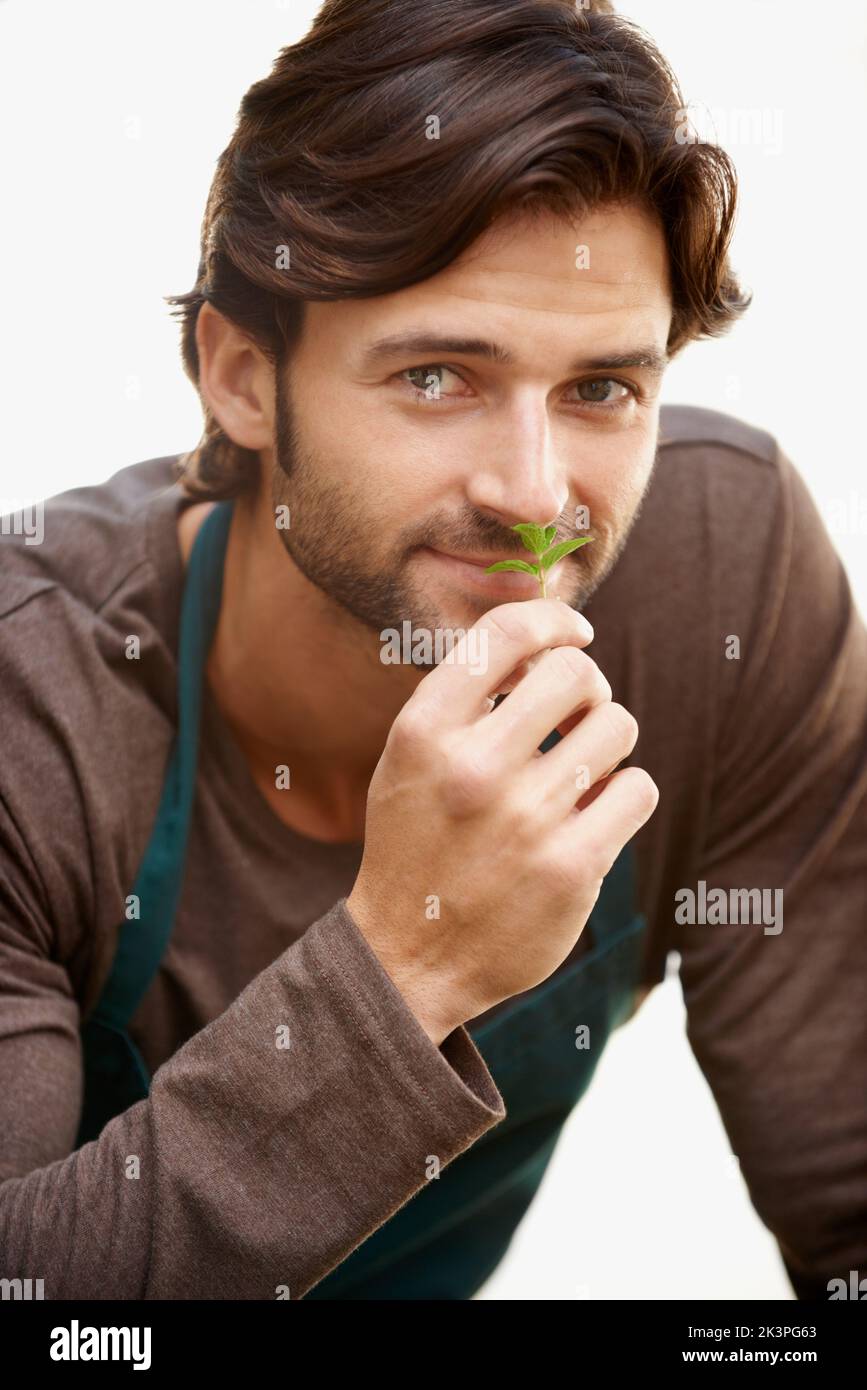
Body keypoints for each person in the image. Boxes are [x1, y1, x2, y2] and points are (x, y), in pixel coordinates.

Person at [1, 0, 864, 1301]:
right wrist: (408, 962)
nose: (534, 495)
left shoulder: (721, 580)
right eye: (437, 377)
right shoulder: (31, 704)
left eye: (601, 389)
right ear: (241, 375)